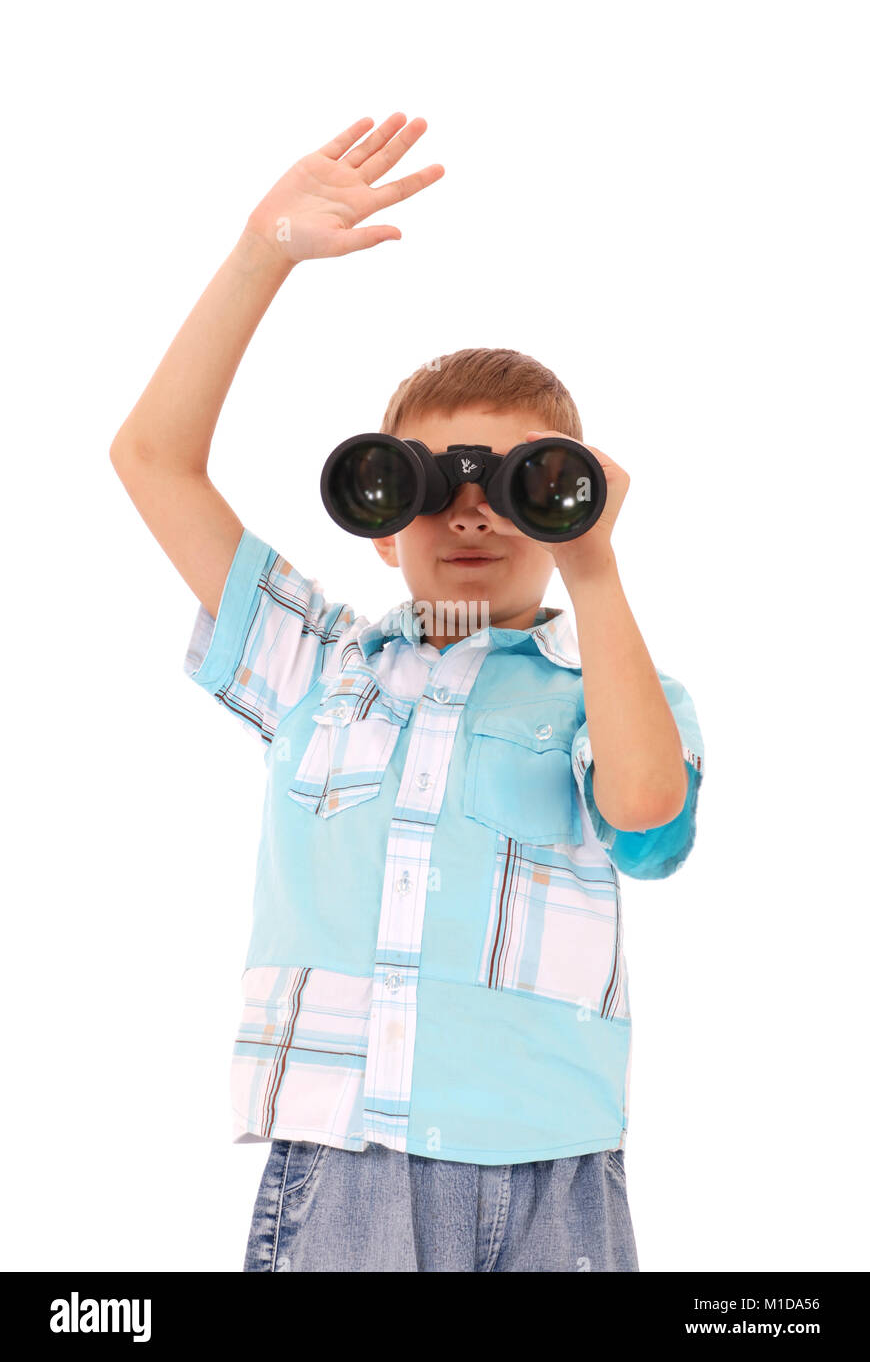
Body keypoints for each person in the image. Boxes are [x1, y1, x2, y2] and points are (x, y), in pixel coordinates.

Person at [109, 112, 704, 1273]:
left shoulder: (610, 690)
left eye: (523, 485)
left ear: (569, 502)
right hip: (348, 1165)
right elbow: (152, 461)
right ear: (381, 519)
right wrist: (261, 251)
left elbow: (646, 815)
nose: (473, 509)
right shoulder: (319, 664)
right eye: (428, 483)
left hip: (558, 1169)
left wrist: (593, 561)